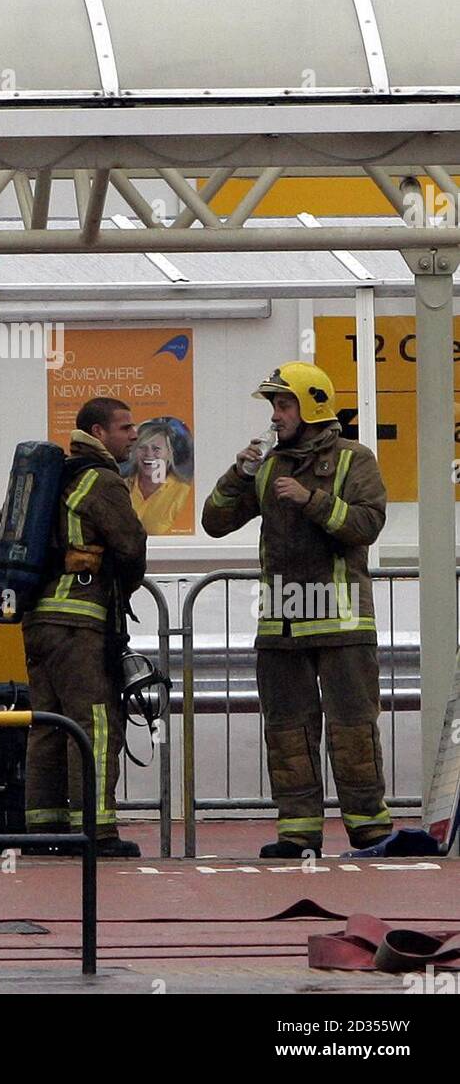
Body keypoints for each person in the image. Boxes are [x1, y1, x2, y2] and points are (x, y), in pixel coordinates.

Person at [202, 362, 392, 859]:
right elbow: (214, 522)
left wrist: (311, 499)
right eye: (273, 406)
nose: (275, 415)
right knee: (287, 729)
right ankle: (299, 832)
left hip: (341, 621)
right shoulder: (267, 463)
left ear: (312, 406)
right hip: (281, 622)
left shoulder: (355, 459)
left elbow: (367, 524)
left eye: (283, 405)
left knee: (353, 727)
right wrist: (238, 472)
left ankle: (369, 827)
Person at [23, 397, 148, 857]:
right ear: (98, 433)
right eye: (125, 427)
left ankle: (44, 831)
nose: (134, 436)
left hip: (38, 619)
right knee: (92, 723)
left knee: (47, 726)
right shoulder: (100, 479)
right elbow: (131, 545)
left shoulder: (52, 477)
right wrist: (122, 589)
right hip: (79, 623)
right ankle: (95, 832)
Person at [124, 416, 194, 535]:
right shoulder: (120, 487)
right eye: (142, 448)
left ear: (169, 453)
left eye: (156, 449)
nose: (149, 454)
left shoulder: (183, 493)